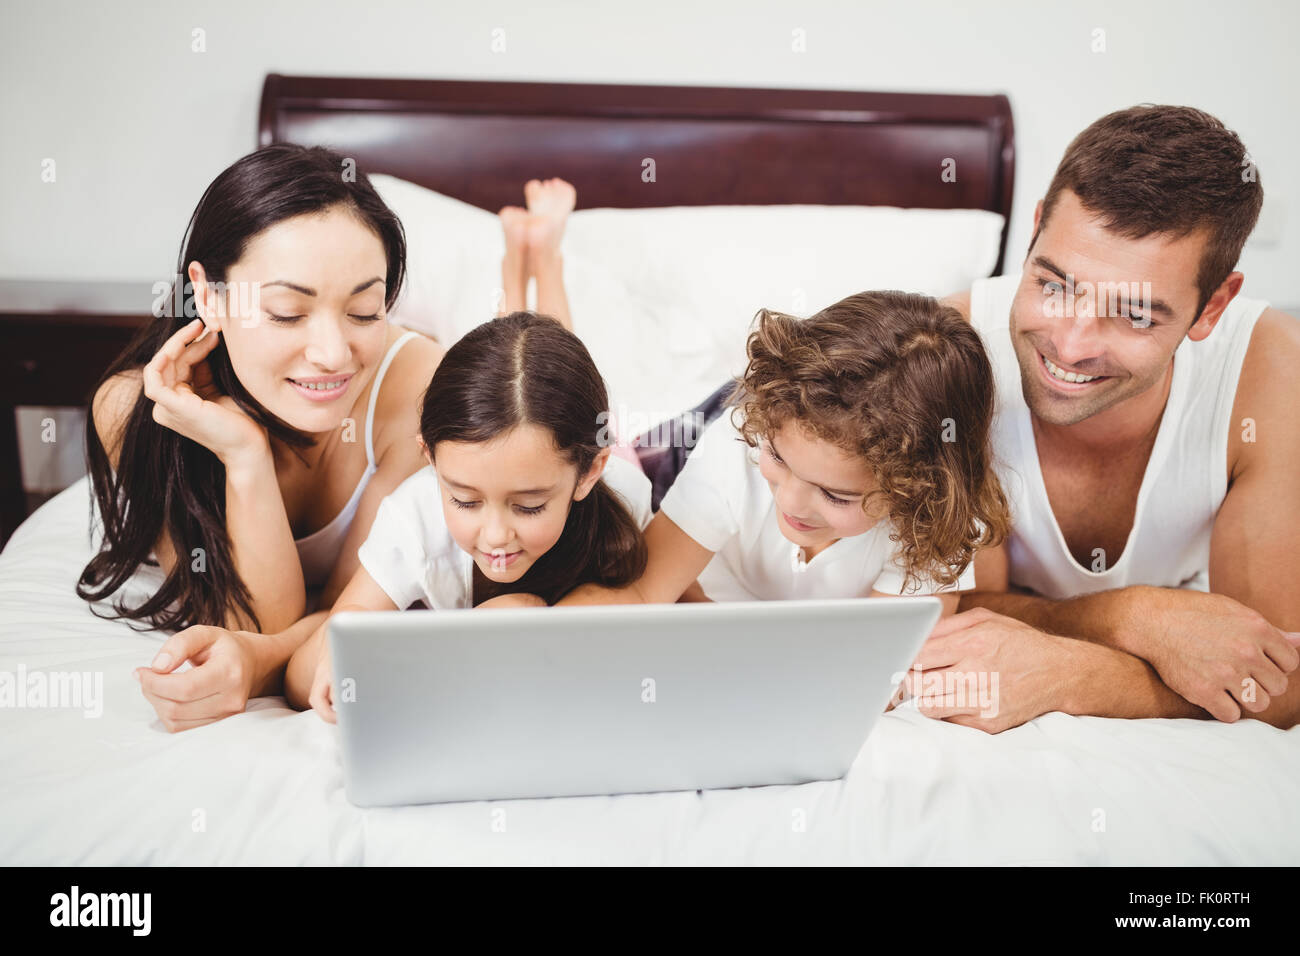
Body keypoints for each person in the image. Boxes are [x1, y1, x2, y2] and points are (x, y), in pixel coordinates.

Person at [928, 105, 1300, 731]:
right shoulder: (944, 354)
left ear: (1211, 307)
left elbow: (1277, 674)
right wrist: (1137, 617)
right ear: (1037, 229)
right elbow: (951, 615)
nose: (1070, 348)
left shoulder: (1270, 372)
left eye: (1134, 315)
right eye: (1054, 283)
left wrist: (1078, 676)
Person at [283, 312, 652, 720]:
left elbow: (679, 615)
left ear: (589, 474)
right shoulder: (414, 520)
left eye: (529, 507)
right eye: (464, 501)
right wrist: (349, 650)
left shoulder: (626, 495)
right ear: (431, 459)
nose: (495, 536)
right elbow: (300, 677)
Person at [558, 291, 1010, 613]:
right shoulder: (737, 453)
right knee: (578, 441)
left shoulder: (934, 519)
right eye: (781, 458)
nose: (790, 503)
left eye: (836, 495)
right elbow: (639, 596)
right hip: (680, 449)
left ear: (916, 493)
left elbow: (874, 663)